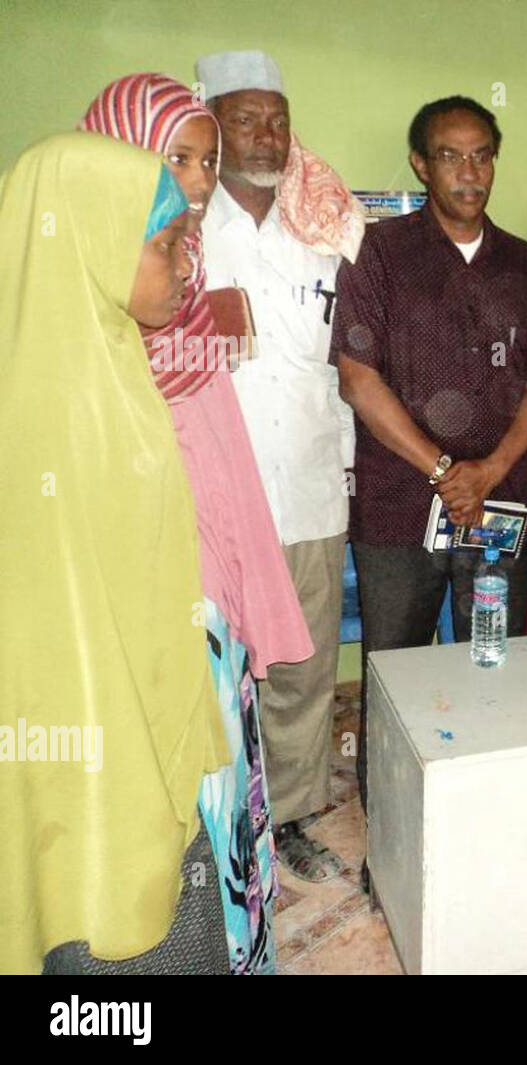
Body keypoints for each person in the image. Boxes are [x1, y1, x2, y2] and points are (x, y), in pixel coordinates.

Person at [79, 72, 314, 973]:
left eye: (206, 161)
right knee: (178, 791)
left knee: (227, 755)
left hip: (206, 583)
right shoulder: (96, 314)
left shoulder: (184, 275)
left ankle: (237, 938)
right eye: (179, 157)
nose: (201, 179)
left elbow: (215, 445)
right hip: (149, 593)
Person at [1, 131, 227, 974]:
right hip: (92, 749)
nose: (181, 266)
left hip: (129, 717)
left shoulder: (103, 359)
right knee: (110, 921)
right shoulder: (54, 404)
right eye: (165, 244)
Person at [331, 96, 527, 814]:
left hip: (500, 509)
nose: (470, 171)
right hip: (402, 507)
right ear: (420, 164)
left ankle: (481, 808)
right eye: (451, 155)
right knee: (396, 671)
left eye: (482, 154)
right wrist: (441, 471)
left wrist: (486, 474)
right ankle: (394, 820)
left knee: (492, 662)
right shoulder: (379, 253)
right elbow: (358, 378)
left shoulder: (523, 264)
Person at [197, 49, 365, 883]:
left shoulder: (322, 229)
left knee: (302, 668)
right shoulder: (182, 228)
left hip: (306, 484)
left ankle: (291, 816)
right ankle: (219, 824)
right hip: (209, 497)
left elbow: (343, 370)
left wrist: (346, 472)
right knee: (219, 665)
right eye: (245, 117)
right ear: (212, 124)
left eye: (278, 117)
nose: (267, 134)